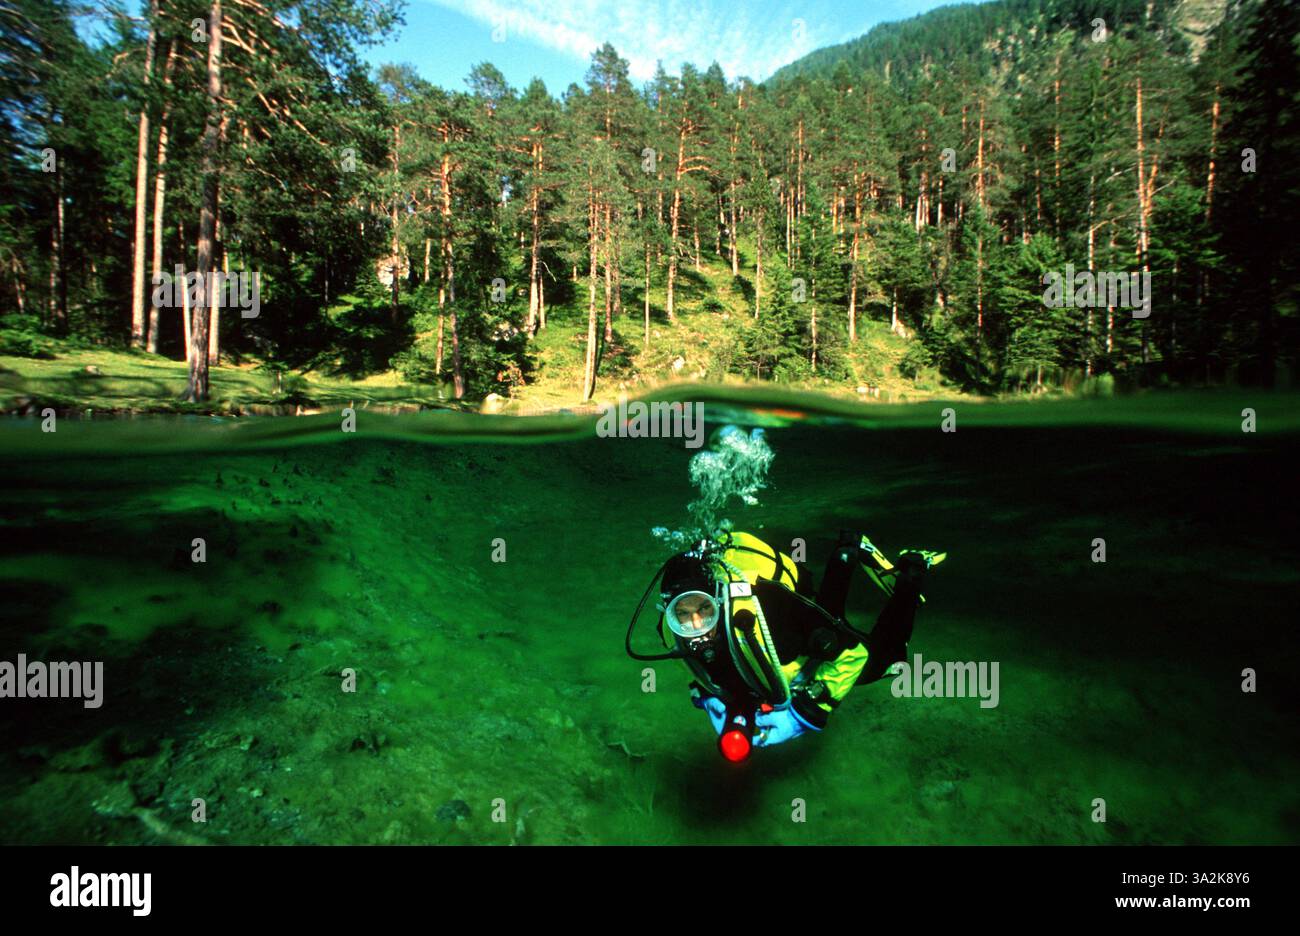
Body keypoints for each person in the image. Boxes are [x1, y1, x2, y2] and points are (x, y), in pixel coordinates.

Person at [630, 529, 945, 761]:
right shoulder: (671, 634)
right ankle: (847, 550)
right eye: (682, 615)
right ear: (668, 611)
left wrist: (805, 712)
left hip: (786, 625)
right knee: (826, 622)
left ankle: (913, 570)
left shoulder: (765, 614)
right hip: (794, 632)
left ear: (719, 602)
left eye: (704, 610)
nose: (696, 627)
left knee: (884, 663)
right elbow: (698, 667)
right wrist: (706, 693)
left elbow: (854, 655)